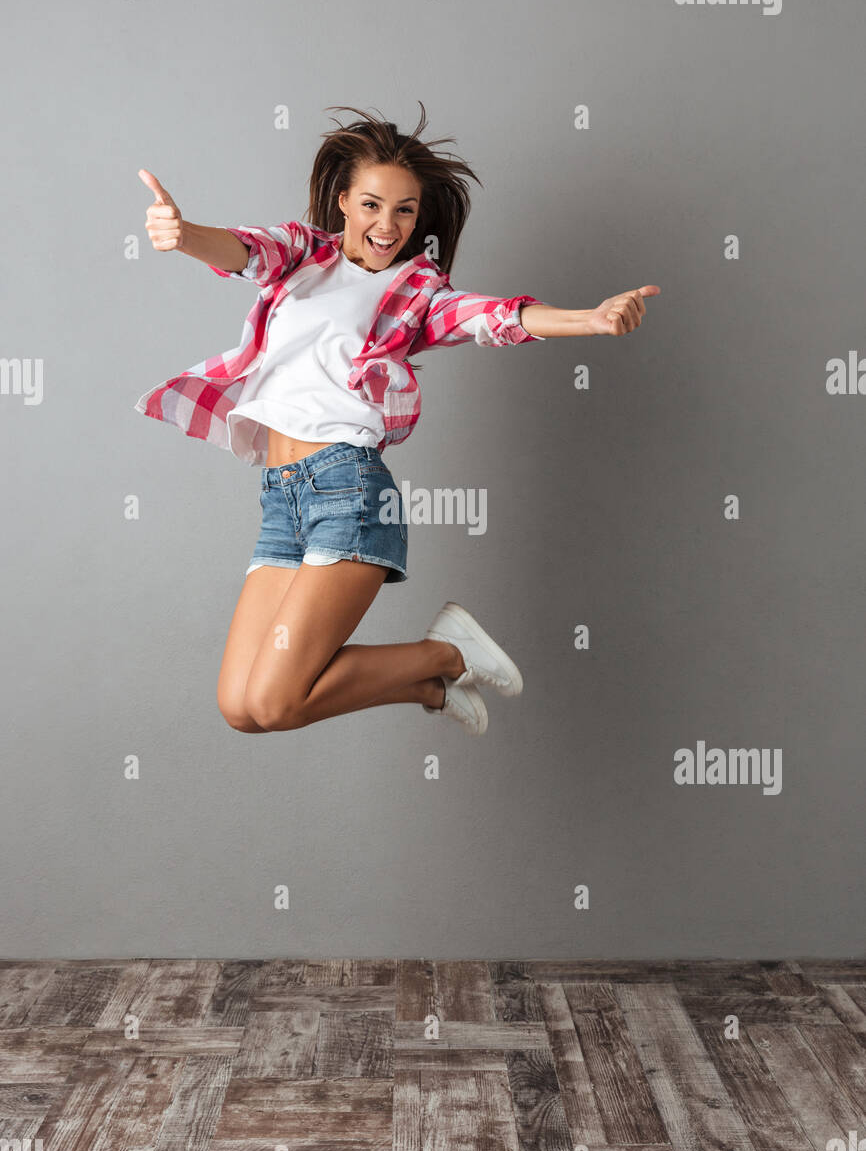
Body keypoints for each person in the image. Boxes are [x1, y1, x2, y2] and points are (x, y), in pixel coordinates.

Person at [135, 103, 660, 736]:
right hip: (281, 497)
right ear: (343, 202)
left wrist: (589, 319)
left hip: (347, 490)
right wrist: (183, 233)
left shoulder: (418, 293)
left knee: (275, 700)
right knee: (241, 708)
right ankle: (433, 690)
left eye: (405, 210)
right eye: (372, 205)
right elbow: (244, 250)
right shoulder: (302, 257)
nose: (388, 226)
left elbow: (493, 317)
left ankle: (450, 654)